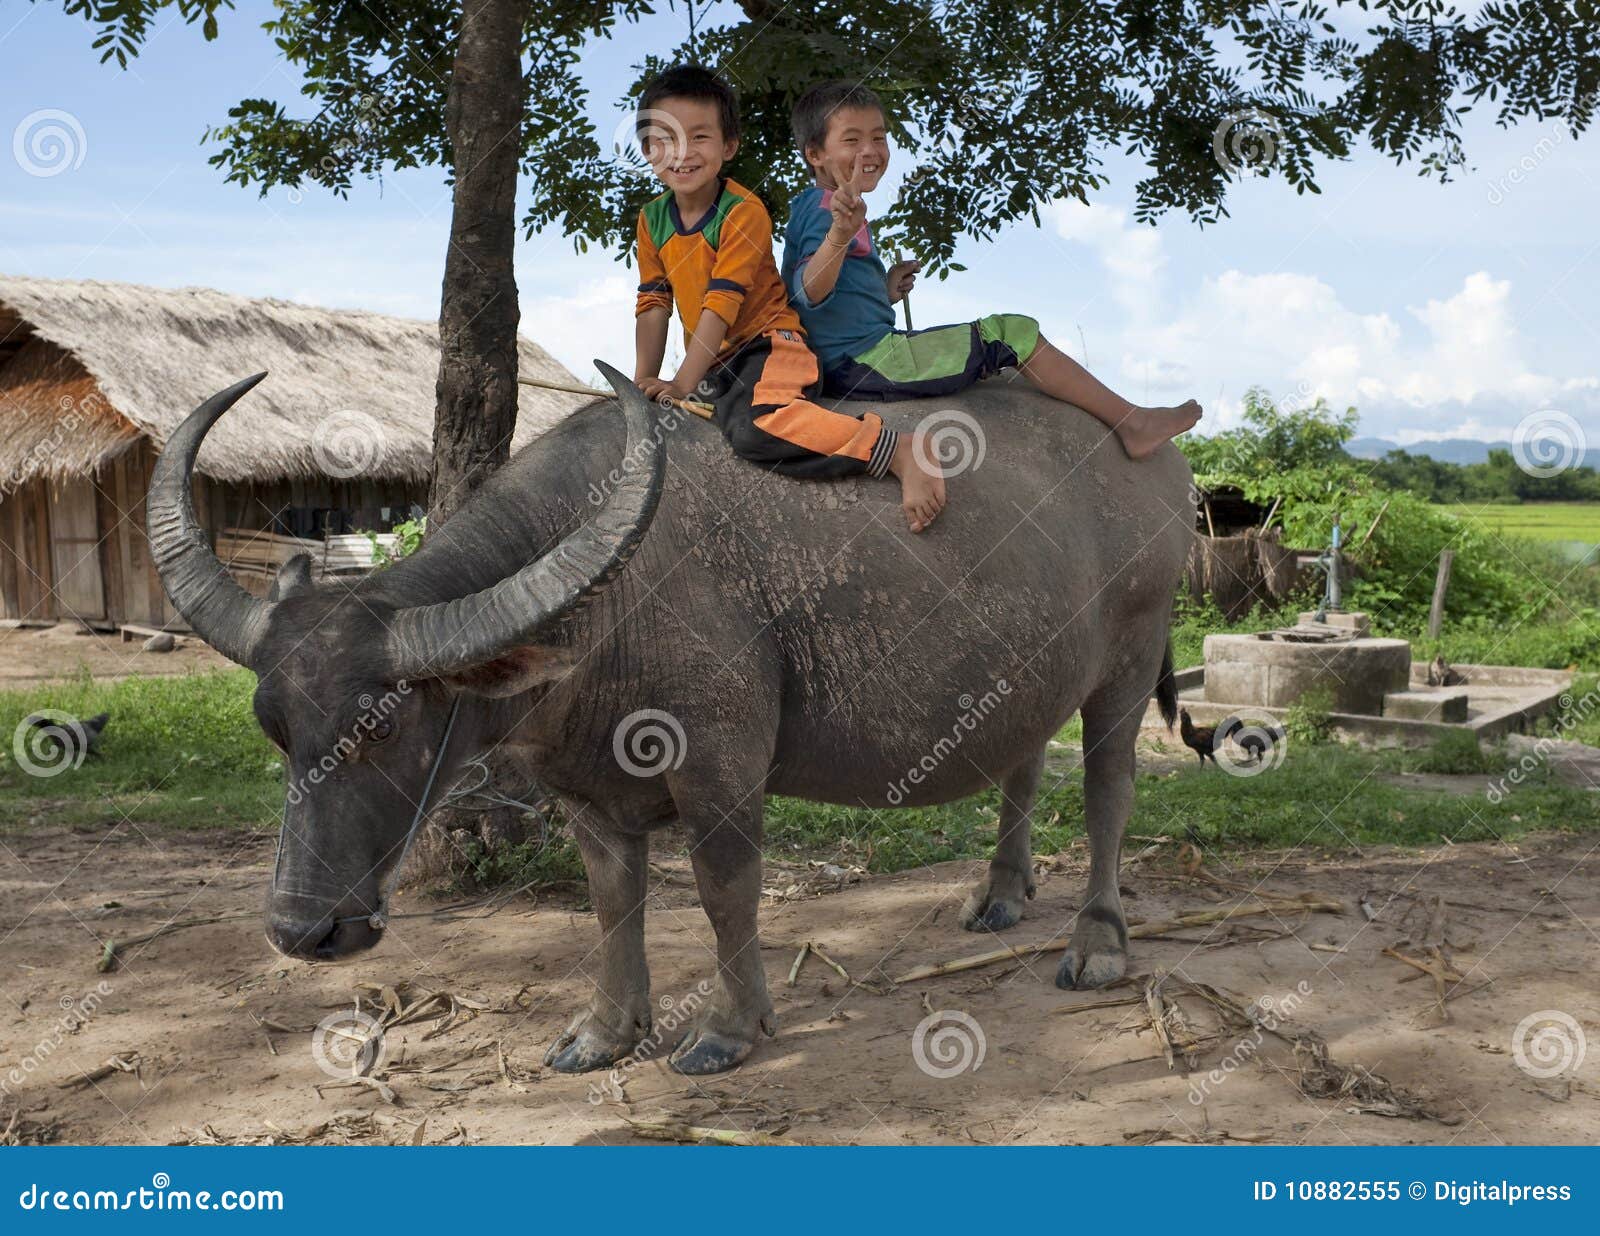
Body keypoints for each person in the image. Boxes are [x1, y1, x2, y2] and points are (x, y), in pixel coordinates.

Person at [781, 79, 1203, 482]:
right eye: (852, 140)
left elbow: (832, 300)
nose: (870, 150)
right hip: (864, 361)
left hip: (847, 355)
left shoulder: (814, 205)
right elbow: (807, 290)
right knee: (1011, 331)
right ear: (815, 154)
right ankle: (1133, 423)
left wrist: (886, 292)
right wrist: (838, 234)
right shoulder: (829, 212)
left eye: (879, 136)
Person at [630, 65, 951, 531]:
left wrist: (680, 384)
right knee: (691, 425)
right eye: (665, 139)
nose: (681, 153)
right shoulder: (651, 219)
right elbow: (653, 303)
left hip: (769, 345)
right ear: (646, 150)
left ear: (729, 147)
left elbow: (722, 305)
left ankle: (894, 448)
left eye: (699, 137)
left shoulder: (743, 212)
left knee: (758, 428)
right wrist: (642, 381)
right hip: (719, 360)